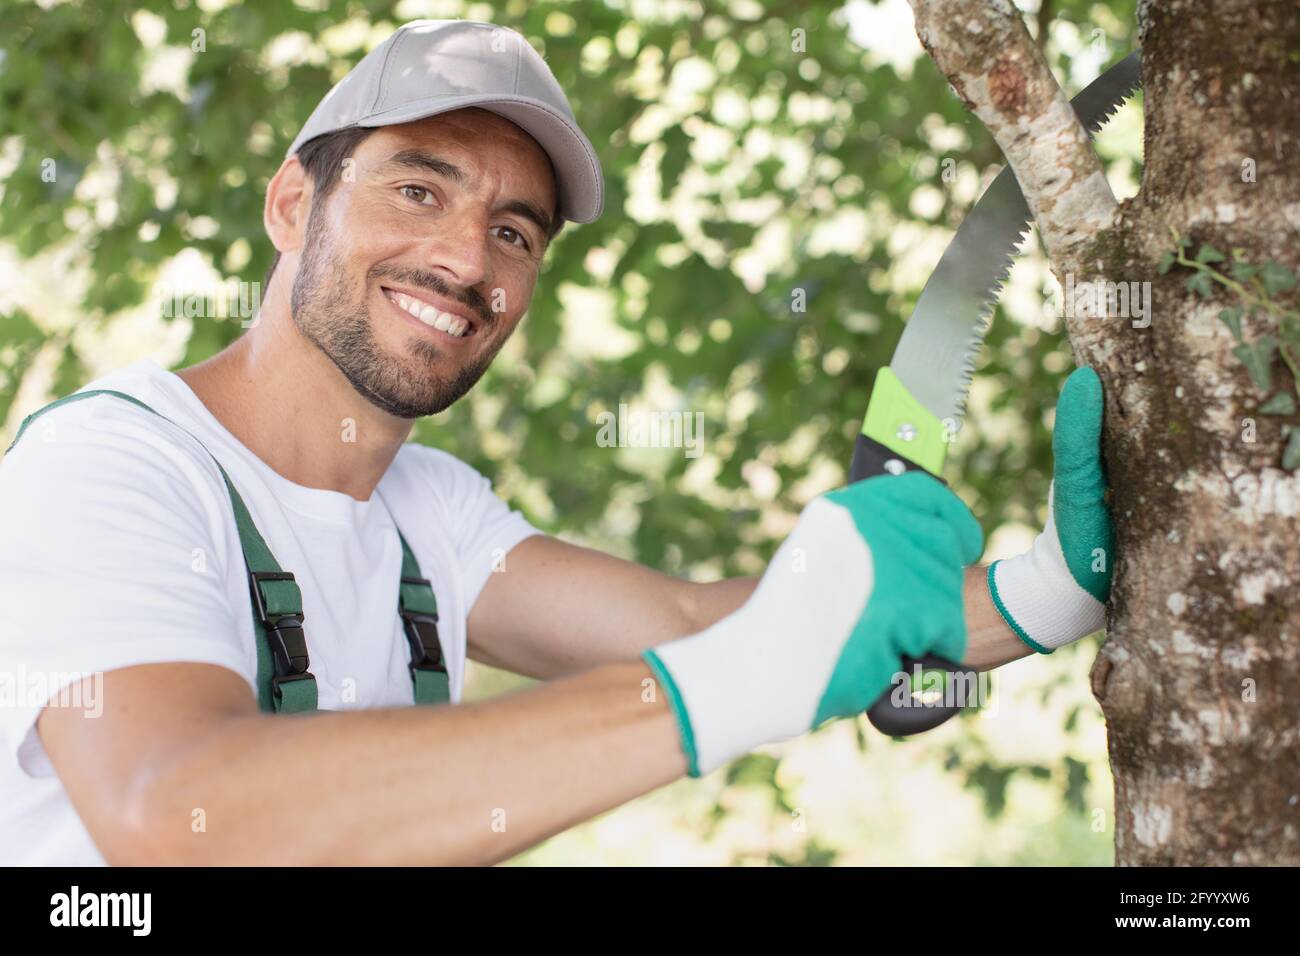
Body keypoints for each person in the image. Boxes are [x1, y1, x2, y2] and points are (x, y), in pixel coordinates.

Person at [0, 19, 1113, 865]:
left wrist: (1040, 591)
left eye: (512, 229)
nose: (464, 260)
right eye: (417, 186)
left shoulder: (423, 505)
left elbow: (688, 620)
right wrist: (714, 691)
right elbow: (174, 806)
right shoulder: (110, 466)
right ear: (295, 204)